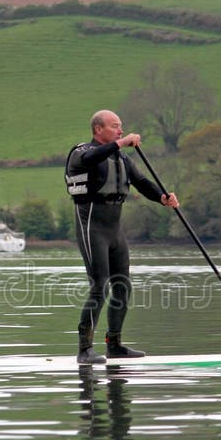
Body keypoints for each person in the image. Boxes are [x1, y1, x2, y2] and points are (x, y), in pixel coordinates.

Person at [66, 110, 180, 365]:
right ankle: (84, 350)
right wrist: (122, 142)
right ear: (98, 130)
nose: (120, 131)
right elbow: (92, 157)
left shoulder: (122, 159)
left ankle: (114, 345)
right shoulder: (81, 152)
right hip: (91, 227)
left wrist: (163, 197)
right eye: (115, 127)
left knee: (122, 286)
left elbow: (142, 182)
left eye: (121, 127)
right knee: (100, 286)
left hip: (114, 231)